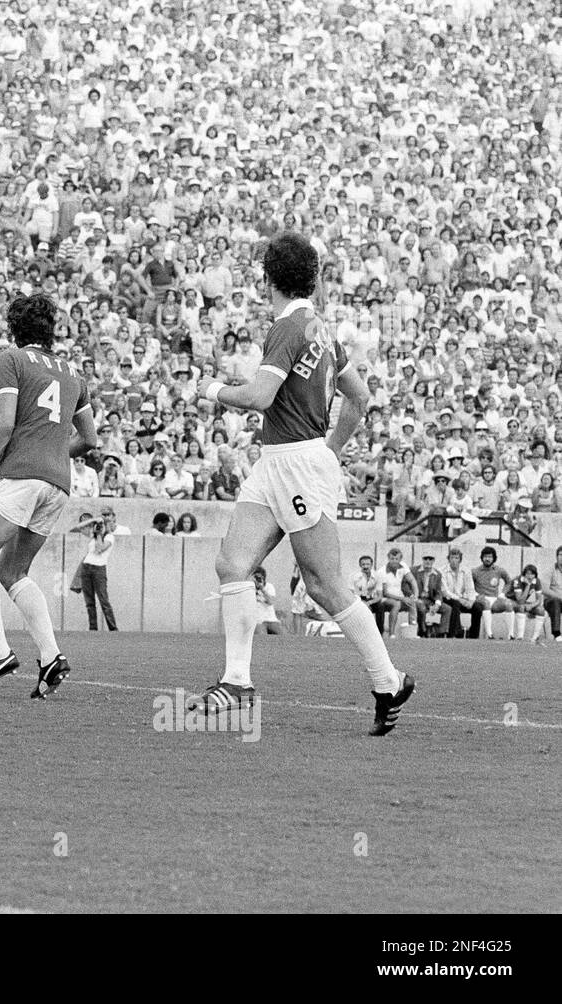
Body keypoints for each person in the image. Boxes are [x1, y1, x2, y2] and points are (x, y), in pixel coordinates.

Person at [190, 232, 413, 736]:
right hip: (282, 461)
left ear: (267, 278)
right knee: (232, 563)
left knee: (323, 584)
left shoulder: (289, 327)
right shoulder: (322, 330)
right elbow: (359, 399)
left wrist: (211, 389)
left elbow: (261, 397)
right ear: (312, 277)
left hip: (293, 462)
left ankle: (388, 679)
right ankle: (237, 682)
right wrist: (330, 451)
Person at [0, 292, 97, 699]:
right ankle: (51, 657)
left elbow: (3, 425)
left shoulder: (11, 359)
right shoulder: (73, 374)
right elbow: (90, 440)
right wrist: (52, 454)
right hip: (58, 484)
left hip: (21, 476)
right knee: (13, 572)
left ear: (14, 328)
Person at [75, 511, 116, 631]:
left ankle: (113, 628)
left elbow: (99, 549)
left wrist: (99, 535)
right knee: (89, 601)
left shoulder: (109, 537)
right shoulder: (92, 535)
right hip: (87, 567)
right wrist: (93, 521)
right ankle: (93, 627)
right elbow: (77, 528)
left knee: (104, 600)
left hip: (99, 568)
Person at [470, 545, 515, 640]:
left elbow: (509, 582)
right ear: (482, 558)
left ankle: (511, 634)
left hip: (494, 599)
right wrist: (475, 594)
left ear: (494, 558)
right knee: (485, 603)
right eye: (485, 557)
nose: (487, 559)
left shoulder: (499, 570)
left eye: (490, 557)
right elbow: (469, 586)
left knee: (508, 604)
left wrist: (503, 593)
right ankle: (490, 634)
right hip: (481, 598)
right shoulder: (475, 571)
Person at [440, 546, 477, 639]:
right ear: (448, 559)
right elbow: (445, 591)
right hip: (447, 598)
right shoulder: (442, 571)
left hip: (462, 598)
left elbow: (470, 588)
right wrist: (460, 600)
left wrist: (471, 601)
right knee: (455, 603)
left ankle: (474, 636)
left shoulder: (466, 570)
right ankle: (454, 634)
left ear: (460, 560)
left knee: (478, 607)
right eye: (452, 557)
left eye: (456, 558)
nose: (454, 560)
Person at [509, 564, 547, 645]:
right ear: (524, 574)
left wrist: (531, 605)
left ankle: (535, 638)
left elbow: (539, 600)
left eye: (532, 574)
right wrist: (528, 586)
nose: (530, 576)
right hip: (511, 600)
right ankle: (520, 637)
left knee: (541, 610)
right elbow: (520, 600)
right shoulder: (518, 580)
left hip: (521, 601)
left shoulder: (537, 581)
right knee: (521, 607)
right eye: (528, 574)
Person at [252, 567, 283, 634]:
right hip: (258, 620)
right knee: (263, 638)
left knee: (284, 636)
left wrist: (262, 589)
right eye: (255, 577)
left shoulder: (269, 586)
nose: (257, 580)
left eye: (259, 578)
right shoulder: (250, 588)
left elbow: (271, 601)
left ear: (264, 578)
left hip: (271, 619)